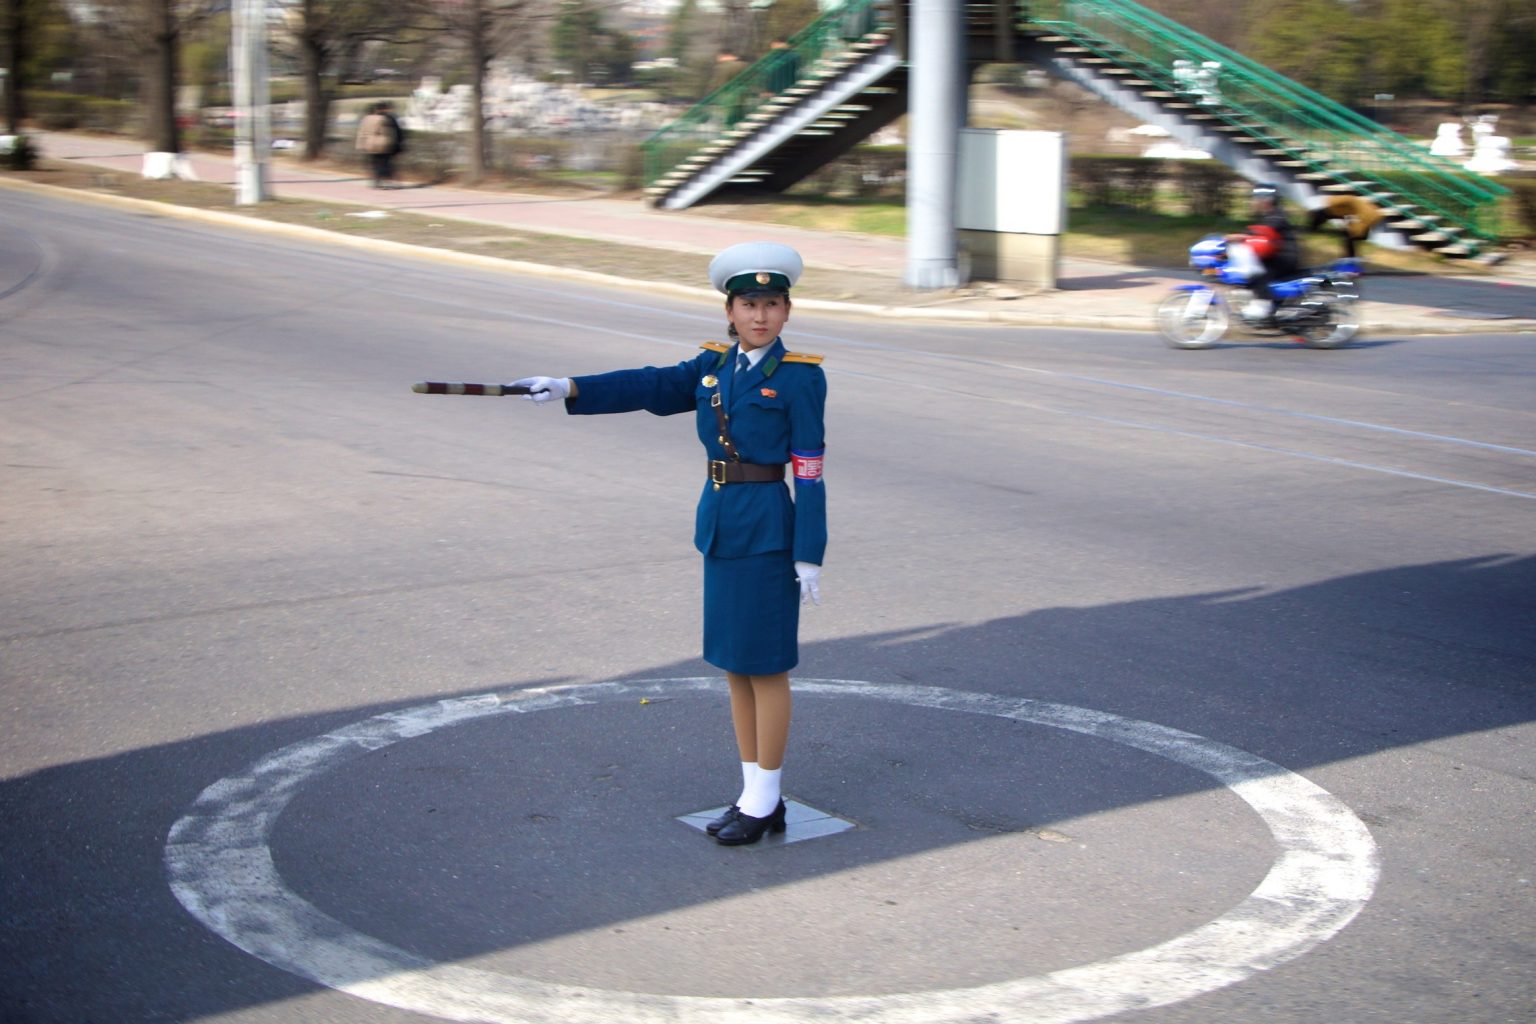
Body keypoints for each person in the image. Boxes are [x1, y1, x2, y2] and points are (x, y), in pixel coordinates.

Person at [511, 241, 828, 848]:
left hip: (767, 528)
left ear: (787, 312)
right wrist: (569, 387)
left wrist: (809, 550)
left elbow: (809, 466)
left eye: (771, 304)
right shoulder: (713, 366)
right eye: (747, 304)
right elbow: (650, 386)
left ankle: (766, 797)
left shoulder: (800, 377)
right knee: (735, 664)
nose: (759, 316)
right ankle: (754, 792)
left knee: (766, 666)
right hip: (720, 522)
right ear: (728, 312)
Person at [1228, 183, 1300, 322]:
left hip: (1284, 258)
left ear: (1266, 200)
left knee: (1256, 272)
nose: (1253, 202)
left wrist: (1239, 237)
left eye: (1255, 198)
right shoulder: (1270, 216)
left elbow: (1261, 232)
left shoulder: (1277, 217)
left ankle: (1263, 304)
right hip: (1277, 256)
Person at [1306, 193, 1384, 260]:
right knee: (1352, 234)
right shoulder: (1352, 207)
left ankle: (1350, 257)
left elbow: (1356, 225)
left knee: (1349, 236)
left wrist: (1350, 228)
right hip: (1372, 213)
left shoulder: (1362, 214)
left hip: (1367, 215)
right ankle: (1351, 253)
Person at [355, 101, 405, 188]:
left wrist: (360, 145)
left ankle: (376, 180)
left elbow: (361, 133)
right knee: (385, 162)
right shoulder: (387, 118)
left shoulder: (366, 119)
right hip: (384, 143)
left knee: (375, 163)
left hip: (370, 143)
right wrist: (396, 144)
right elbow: (392, 132)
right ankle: (385, 180)